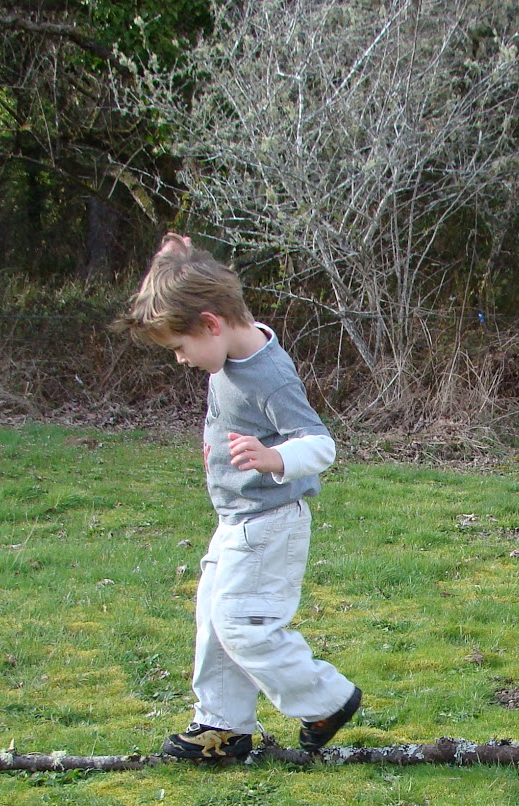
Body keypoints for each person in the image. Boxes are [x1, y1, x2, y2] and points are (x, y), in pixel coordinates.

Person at [117, 233, 360, 762]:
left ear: (210, 323)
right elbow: (198, 288)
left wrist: (276, 459)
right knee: (213, 616)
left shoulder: (268, 376)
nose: (180, 359)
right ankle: (223, 725)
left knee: (242, 623)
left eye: (180, 347)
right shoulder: (227, 352)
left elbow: (321, 444)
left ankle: (326, 700)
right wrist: (172, 262)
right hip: (237, 518)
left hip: (269, 520)